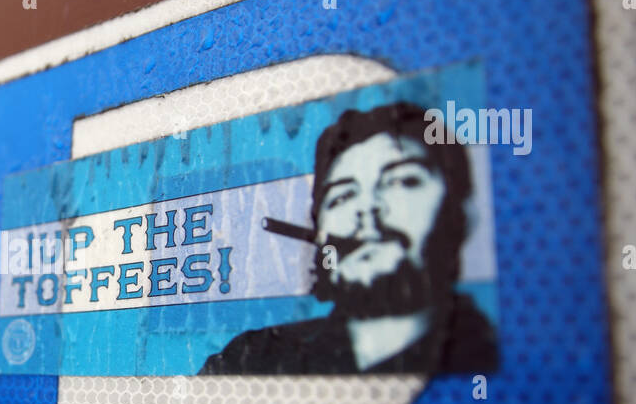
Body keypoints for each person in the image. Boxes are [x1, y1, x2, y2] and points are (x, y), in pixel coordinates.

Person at [200, 101, 498, 375]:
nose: (367, 209)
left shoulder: (489, 360)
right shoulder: (252, 359)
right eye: (343, 196)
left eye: (402, 181)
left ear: (463, 215)